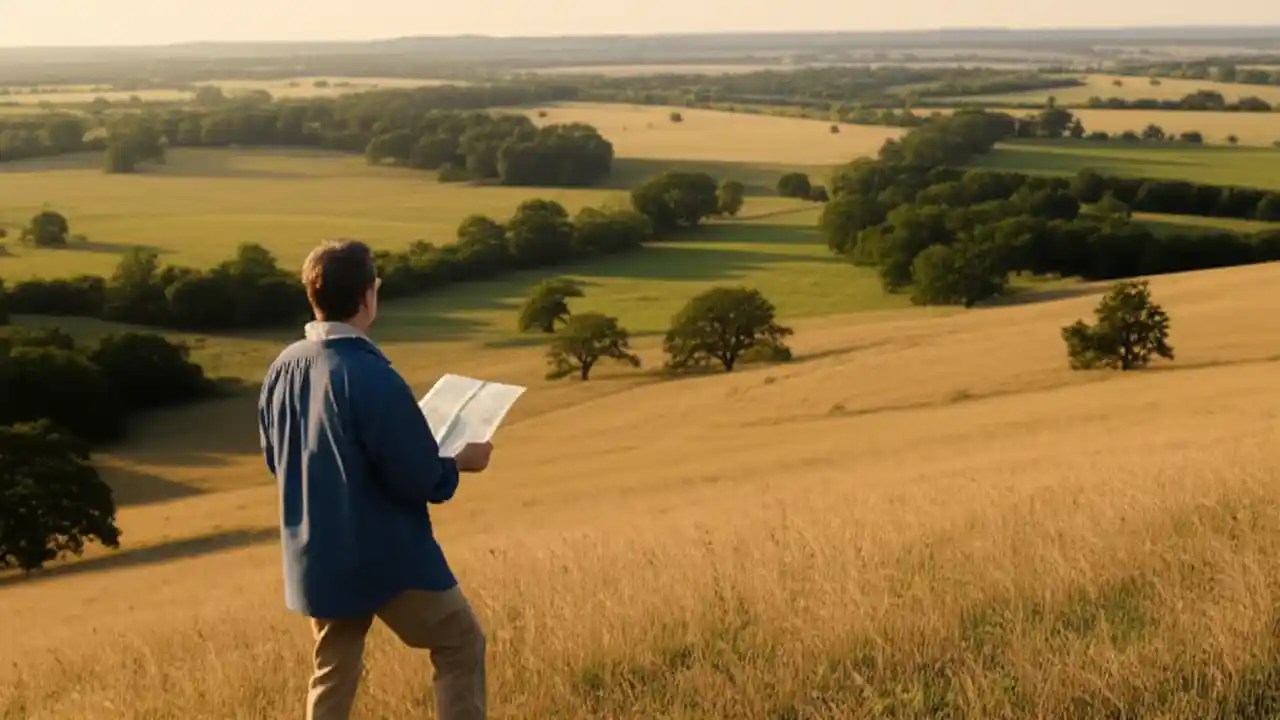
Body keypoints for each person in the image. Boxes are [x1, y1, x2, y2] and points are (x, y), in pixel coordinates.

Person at [258, 239, 493, 720]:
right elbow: (421, 478)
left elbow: (275, 457)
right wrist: (460, 462)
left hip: (317, 556)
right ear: (369, 296)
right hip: (387, 558)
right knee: (459, 643)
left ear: (313, 295)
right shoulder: (371, 375)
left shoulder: (282, 368)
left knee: (332, 671)